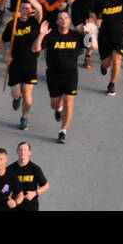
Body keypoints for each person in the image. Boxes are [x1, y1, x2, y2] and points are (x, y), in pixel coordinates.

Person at [34, 9, 82, 143]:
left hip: (71, 74)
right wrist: (41, 35)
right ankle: (58, 109)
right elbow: (35, 49)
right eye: (60, 18)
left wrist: (91, 34)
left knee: (69, 101)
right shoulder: (51, 36)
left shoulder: (76, 35)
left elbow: (92, 46)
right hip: (54, 74)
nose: (63, 20)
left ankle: (63, 131)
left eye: (66, 18)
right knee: (55, 103)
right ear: (57, 21)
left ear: (70, 20)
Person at [2, 0, 43, 129]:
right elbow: (2, 40)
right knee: (16, 93)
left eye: (27, 8)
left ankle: (24, 117)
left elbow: (39, 7)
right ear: (19, 9)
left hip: (30, 62)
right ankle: (16, 99)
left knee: (27, 92)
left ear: (31, 11)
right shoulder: (13, 24)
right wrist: (5, 55)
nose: (25, 11)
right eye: (22, 8)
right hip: (15, 63)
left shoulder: (35, 22)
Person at [8, 141, 50, 211]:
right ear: (17, 151)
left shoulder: (35, 169)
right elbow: (5, 186)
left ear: (29, 152)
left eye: (25, 150)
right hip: (15, 205)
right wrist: (7, 198)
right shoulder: (10, 169)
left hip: (31, 206)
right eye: (20, 149)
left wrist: (34, 193)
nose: (22, 152)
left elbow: (46, 186)